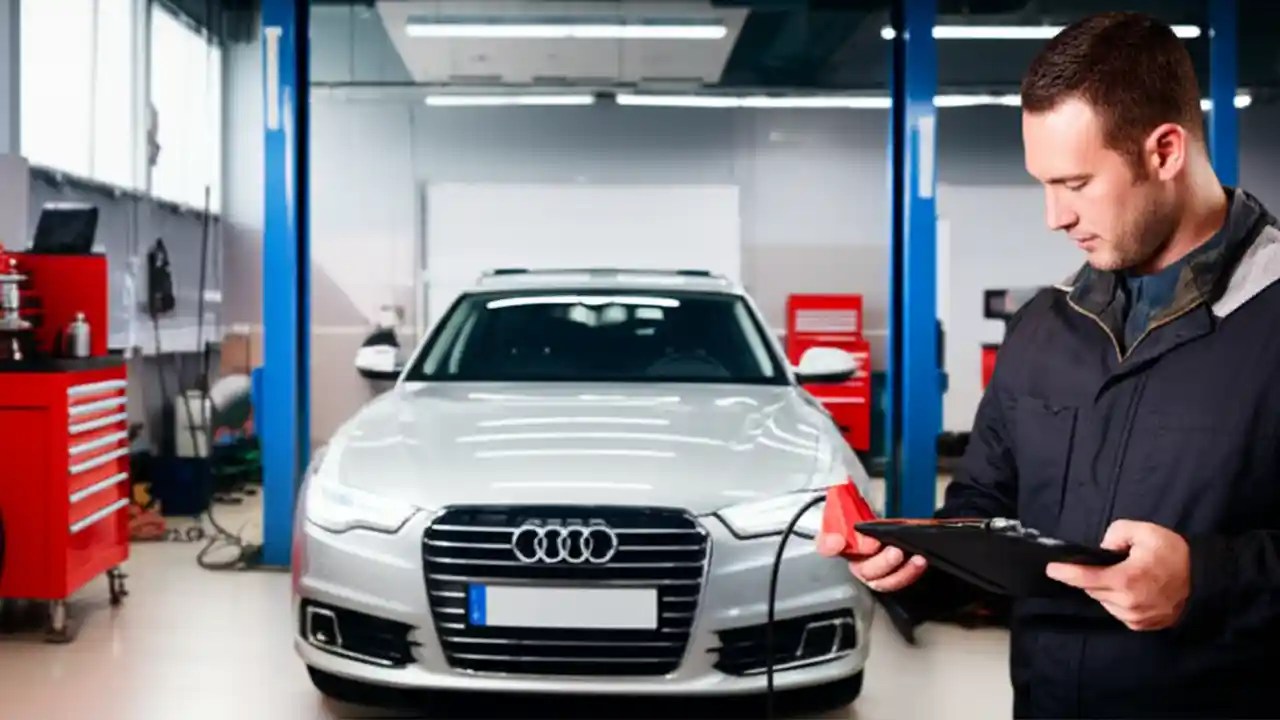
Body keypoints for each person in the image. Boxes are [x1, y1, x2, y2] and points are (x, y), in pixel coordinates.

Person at [817, 11, 1280, 719]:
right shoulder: (1045, 327)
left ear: (1164, 151)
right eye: (1043, 184)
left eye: (1075, 183)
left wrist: (1207, 579)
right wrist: (911, 563)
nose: (1053, 217)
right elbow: (983, 510)